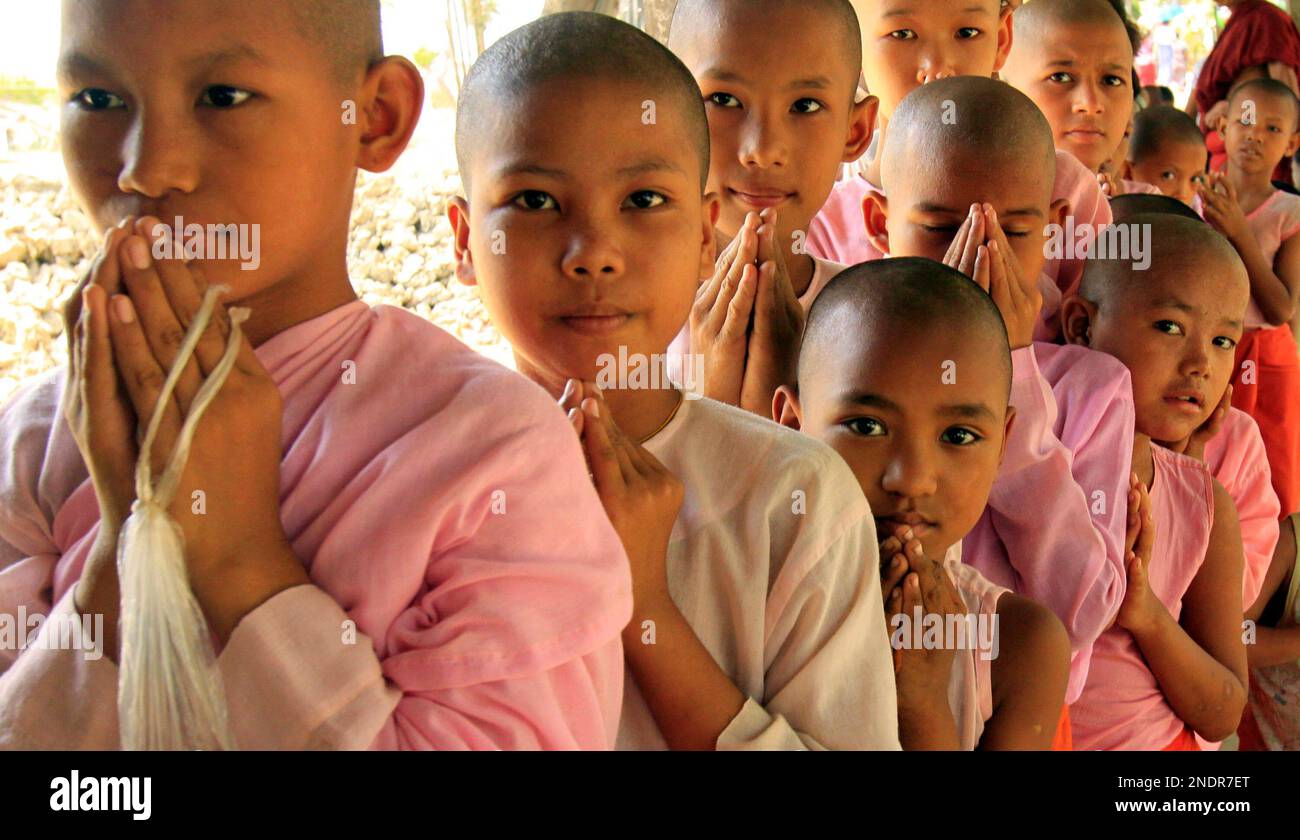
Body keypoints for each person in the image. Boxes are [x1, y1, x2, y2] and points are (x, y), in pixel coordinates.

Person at [0, 0, 635, 750]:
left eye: (223, 97)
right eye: (99, 101)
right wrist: (124, 550)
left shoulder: (490, 453)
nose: (147, 167)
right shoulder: (39, 437)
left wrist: (236, 564)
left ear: (376, 116)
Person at [448, 11, 901, 750]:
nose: (593, 252)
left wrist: (643, 603)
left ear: (702, 235)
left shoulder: (795, 500)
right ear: (466, 240)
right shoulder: (415, 477)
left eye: (644, 201)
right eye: (535, 201)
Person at [859, 77, 1135, 748]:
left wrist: (1011, 372)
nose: (974, 261)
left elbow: (1082, 606)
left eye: (1013, 230)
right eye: (939, 228)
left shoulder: (1088, 387)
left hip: (1014, 708)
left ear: (1053, 230)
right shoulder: (850, 355)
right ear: (878, 223)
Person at [776, 258, 1070, 750]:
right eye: (866, 426)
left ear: (1002, 444)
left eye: (958, 435)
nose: (910, 479)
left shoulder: (1016, 644)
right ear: (791, 426)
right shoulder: (751, 593)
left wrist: (922, 706)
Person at [1063, 213, 1250, 750]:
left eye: (1222, 340)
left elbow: (1223, 712)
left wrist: (1146, 616)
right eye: (1170, 326)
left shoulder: (1205, 506)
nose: (1200, 365)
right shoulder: (1031, 468)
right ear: (1081, 326)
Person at [664, 0, 875, 414]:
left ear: (855, 131)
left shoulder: (873, 322)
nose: (762, 150)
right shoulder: (625, 318)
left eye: (805, 106)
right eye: (723, 99)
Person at [1200, 78, 1300, 517]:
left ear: (1293, 142)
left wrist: (1239, 231)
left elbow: (1282, 307)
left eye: (1273, 128)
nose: (1255, 133)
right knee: (1213, 465)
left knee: (1273, 476)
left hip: (1270, 359)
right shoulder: (1197, 194)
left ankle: (1274, 573)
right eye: (1245, 119)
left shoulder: (1289, 212)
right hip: (1212, 348)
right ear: (1223, 124)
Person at [1191, 0, 1300, 177]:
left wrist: (1233, 109)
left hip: (1254, 166)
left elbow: (1288, 100)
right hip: (1222, 162)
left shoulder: (1266, 19)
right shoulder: (1238, 19)